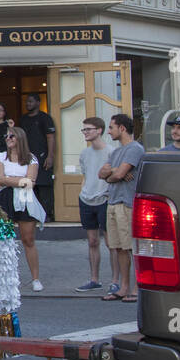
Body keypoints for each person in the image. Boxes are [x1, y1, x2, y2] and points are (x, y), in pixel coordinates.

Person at [99, 113, 144, 303]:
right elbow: (103, 173)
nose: (108, 132)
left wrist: (114, 173)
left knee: (132, 246)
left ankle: (137, 287)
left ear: (122, 128)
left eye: (111, 127)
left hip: (127, 204)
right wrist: (113, 173)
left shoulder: (135, 149)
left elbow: (119, 174)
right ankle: (124, 287)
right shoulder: (115, 152)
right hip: (113, 202)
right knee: (118, 247)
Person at [0, 126, 43, 291]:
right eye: (6, 136)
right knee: (4, 239)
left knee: (28, 239)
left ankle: (35, 279)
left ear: (20, 138)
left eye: (12, 136)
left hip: (24, 198)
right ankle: (5, 278)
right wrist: (19, 180)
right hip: (5, 197)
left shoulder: (31, 158)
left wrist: (9, 179)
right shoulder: (0, 157)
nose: (8, 138)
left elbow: (31, 182)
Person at [73, 117, 111, 293]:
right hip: (86, 199)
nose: (86, 132)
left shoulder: (111, 152)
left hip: (104, 198)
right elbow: (85, 175)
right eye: (84, 130)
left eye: (89, 129)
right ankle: (94, 279)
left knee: (111, 242)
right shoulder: (84, 153)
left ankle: (116, 280)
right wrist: (83, 192)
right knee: (92, 241)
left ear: (99, 130)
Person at [18, 93, 56, 221]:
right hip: (26, 157)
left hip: (42, 156)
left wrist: (50, 156)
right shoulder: (23, 119)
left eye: (31, 101)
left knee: (44, 186)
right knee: (28, 185)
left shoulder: (45, 118)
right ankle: (30, 214)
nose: (28, 104)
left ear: (38, 103)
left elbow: (50, 137)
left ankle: (46, 214)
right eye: (27, 102)